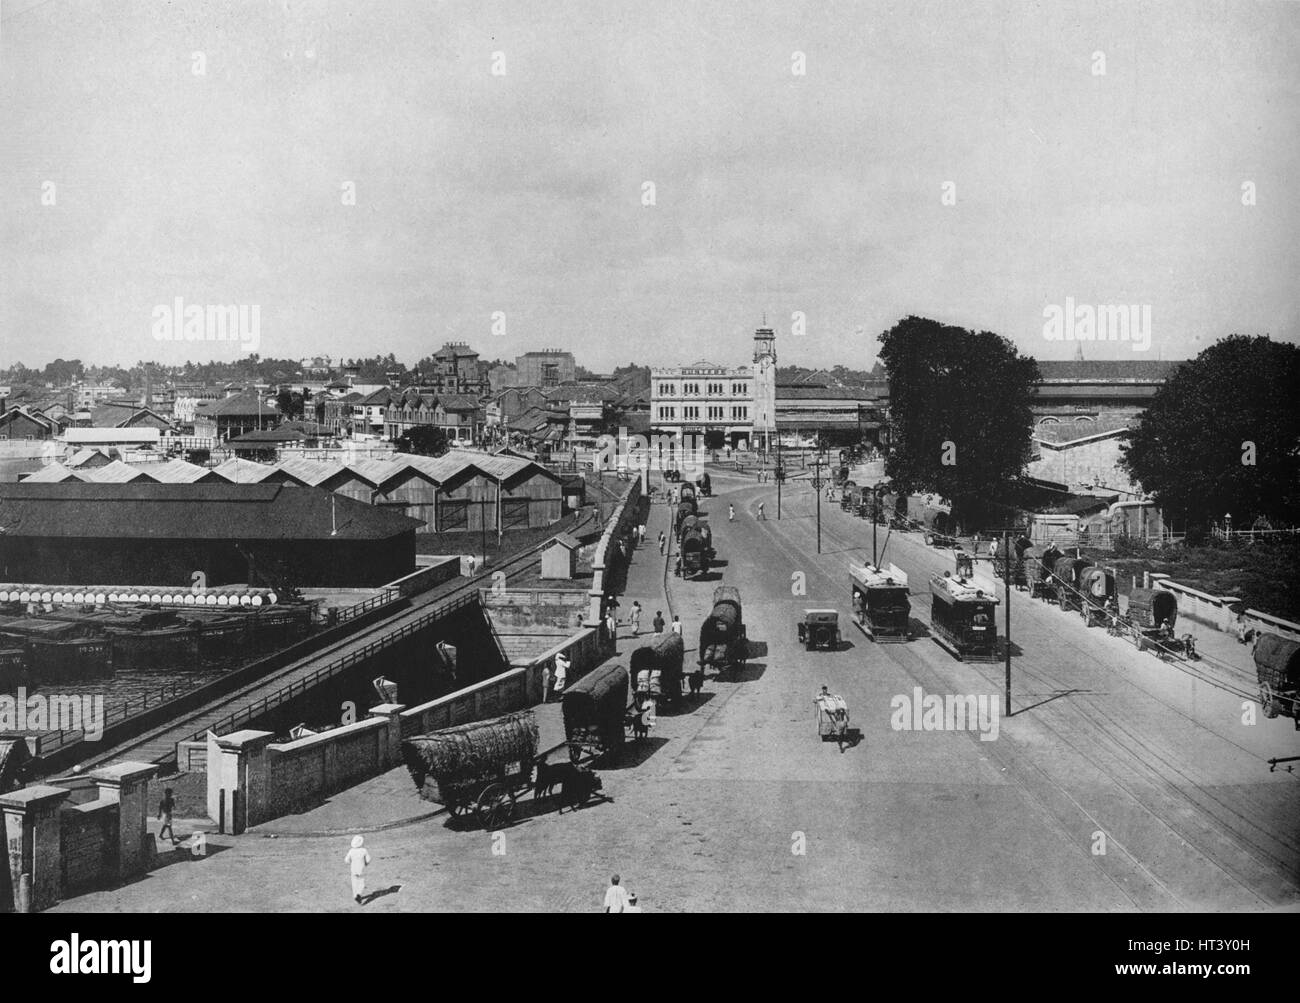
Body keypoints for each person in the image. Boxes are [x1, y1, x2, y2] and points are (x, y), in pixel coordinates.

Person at [345, 835, 371, 905]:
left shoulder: (351, 851)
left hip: (353, 869)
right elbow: (368, 860)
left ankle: (355, 895)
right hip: (361, 869)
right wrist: (366, 863)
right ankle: (358, 894)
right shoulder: (364, 850)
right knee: (361, 883)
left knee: (354, 883)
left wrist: (351, 862)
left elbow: (346, 860)